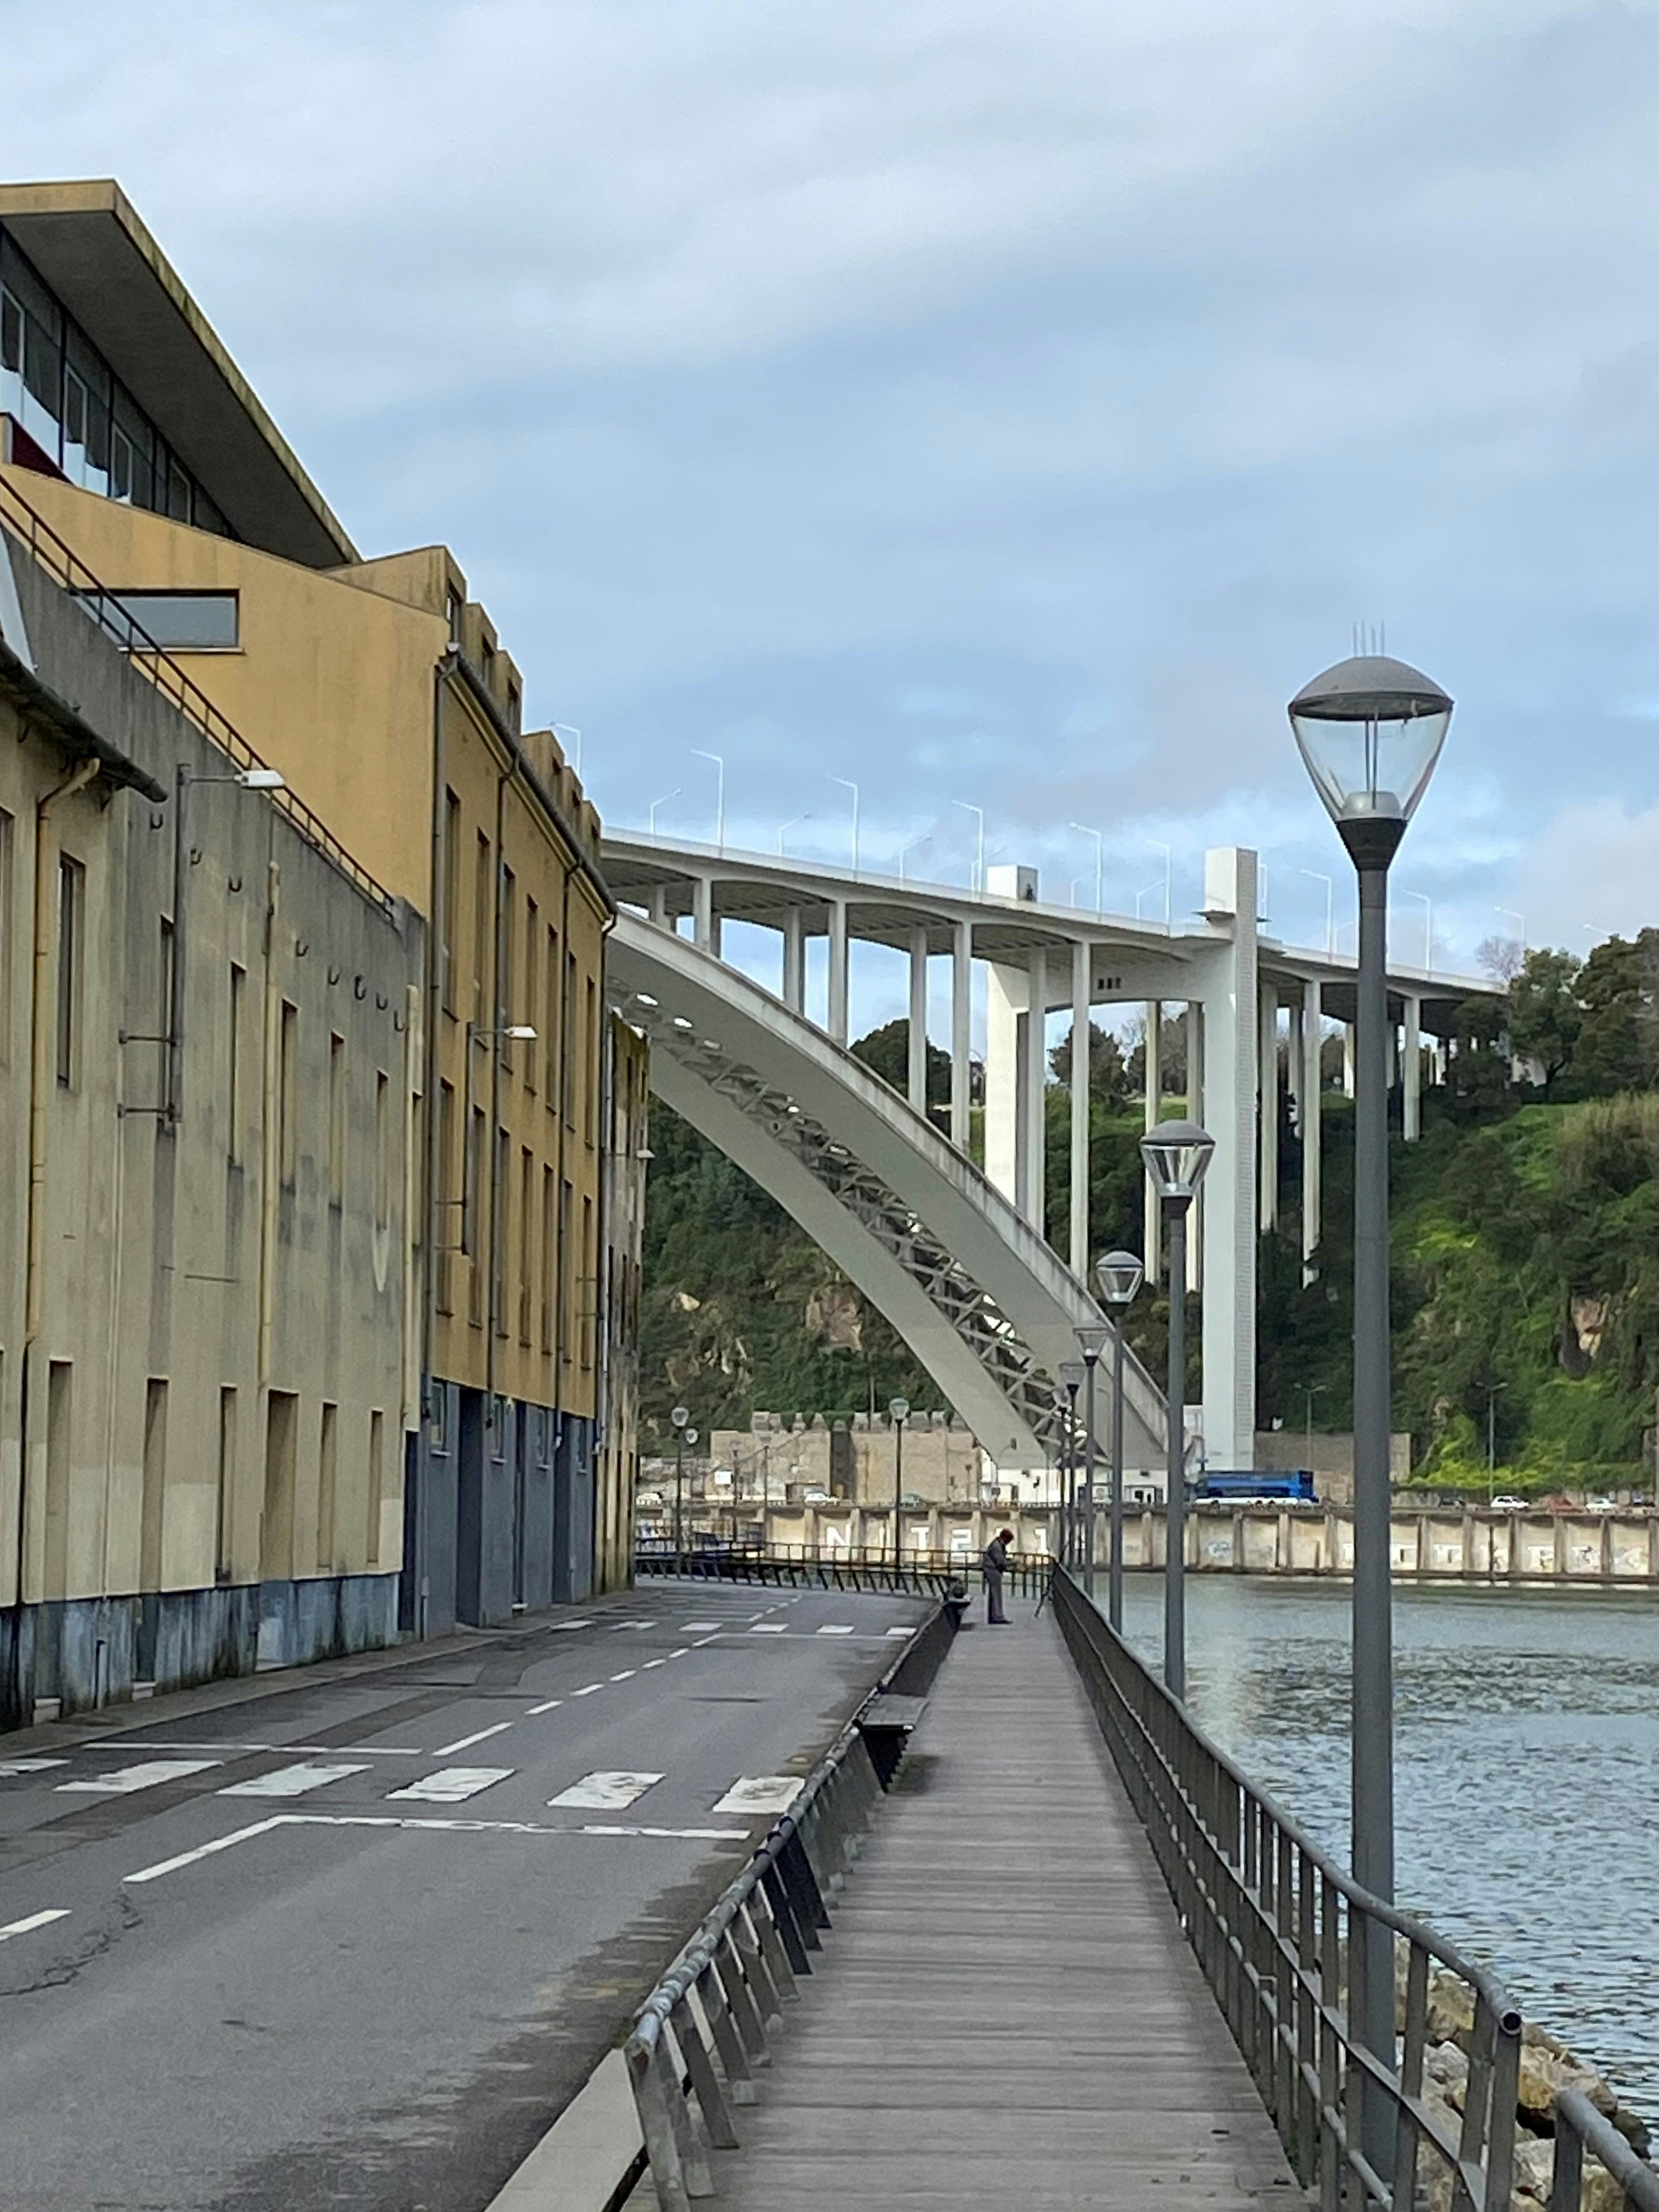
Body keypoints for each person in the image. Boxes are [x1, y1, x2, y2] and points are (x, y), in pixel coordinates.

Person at [982, 1527, 1016, 1625]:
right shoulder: (997, 1546)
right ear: (1004, 1538)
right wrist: (1012, 1563)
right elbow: (1000, 1562)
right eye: (1008, 1540)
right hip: (993, 1571)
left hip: (991, 1570)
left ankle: (993, 1616)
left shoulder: (996, 1544)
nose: (1008, 1543)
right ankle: (998, 1616)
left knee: (993, 1595)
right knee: (997, 1594)